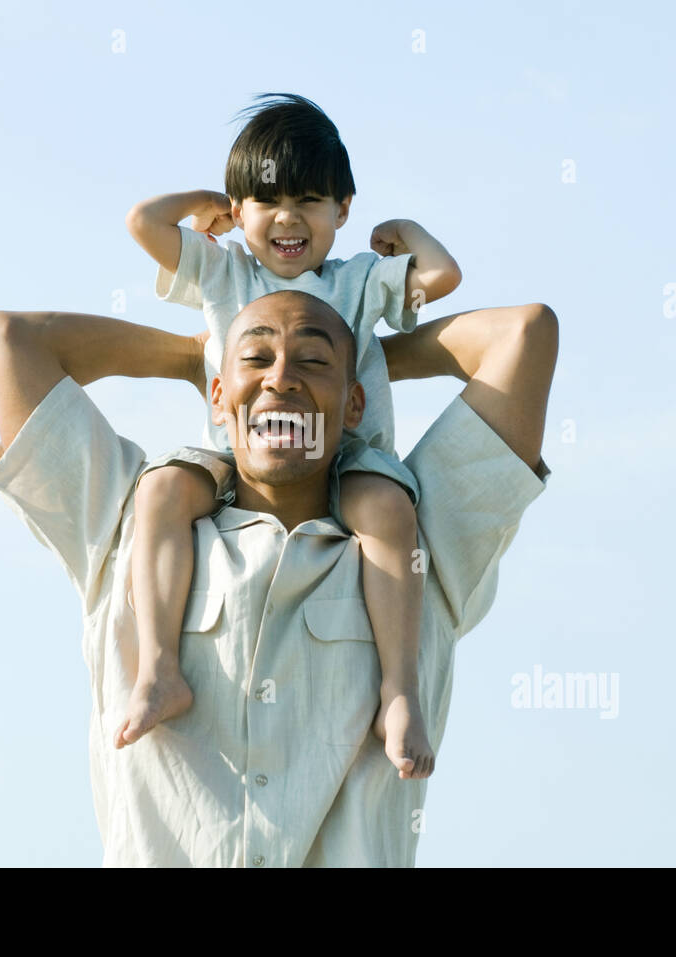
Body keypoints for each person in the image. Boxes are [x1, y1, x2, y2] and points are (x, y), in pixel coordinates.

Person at [0, 289, 557, 867]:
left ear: (355, 404)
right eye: (255, 359)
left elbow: (523, 334)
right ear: (218, 395)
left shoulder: (414, 545)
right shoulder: (133, 522)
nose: (281, 379)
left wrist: (372, 357)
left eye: (313, 361)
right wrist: (189, 355)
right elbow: (14, 339)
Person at [122, 93, 462, 779]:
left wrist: (408, 228)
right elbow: (142, 224)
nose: (287, 218)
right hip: (237, 453)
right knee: (159, 491)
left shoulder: (358, 280)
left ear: (343, 209)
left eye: (310, 200)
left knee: (391, 511)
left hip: (348, 453)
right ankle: (159, 667)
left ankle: (399, 691)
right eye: (266, 200)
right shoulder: (225, 271)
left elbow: (442, 276)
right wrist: (205, 201)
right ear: (240, 210)